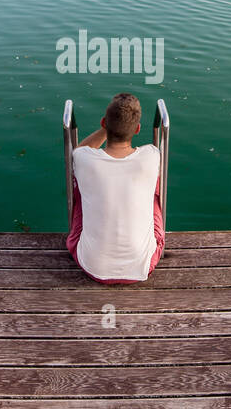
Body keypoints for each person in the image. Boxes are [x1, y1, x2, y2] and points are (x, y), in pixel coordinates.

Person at [66, 93, 165, 284]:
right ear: (137, 129)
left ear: (103, 122)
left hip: (91, 265)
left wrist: (108, 128)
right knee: (152, 194)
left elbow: (76, 151)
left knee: (81, 189)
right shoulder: (152, 156)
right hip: (142, 265)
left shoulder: (84, 159)